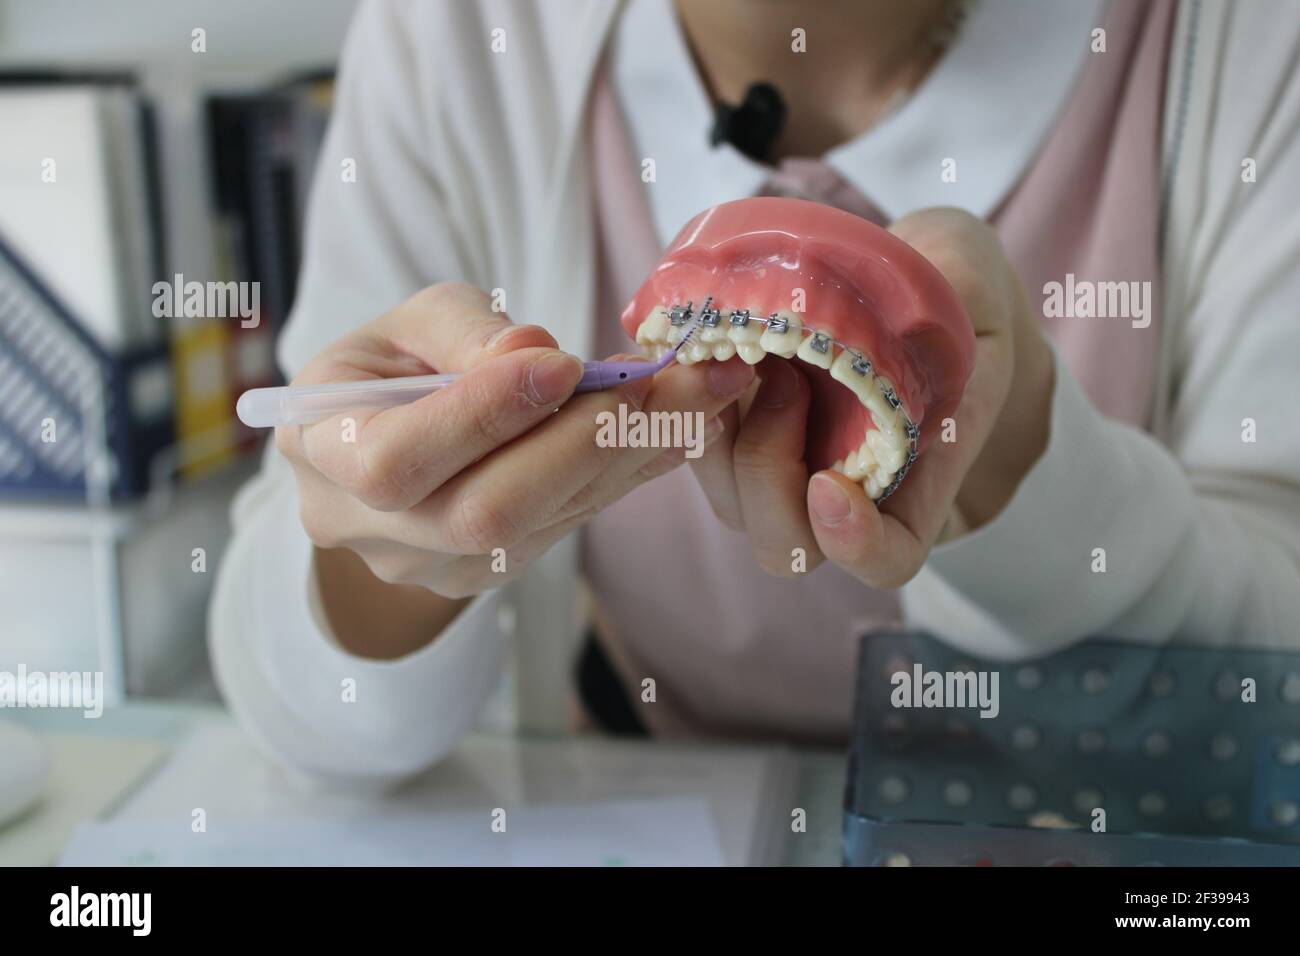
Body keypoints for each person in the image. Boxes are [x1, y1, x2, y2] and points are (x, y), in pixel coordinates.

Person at [210, 0, 1300, 786]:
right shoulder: (455, 37)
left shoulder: (1250, 47)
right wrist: (399, 550)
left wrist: (1016, 464)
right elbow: (301, 696)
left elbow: (1273, 695)